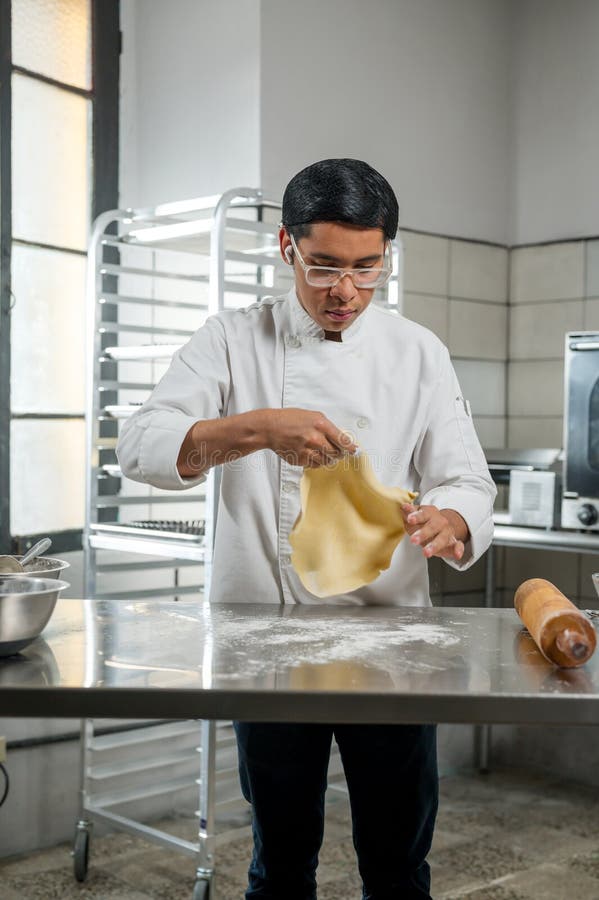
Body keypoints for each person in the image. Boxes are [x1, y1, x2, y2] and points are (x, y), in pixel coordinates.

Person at [118, 158, 496, 899]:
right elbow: (140, 445)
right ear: (286, 248)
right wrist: (255, 429)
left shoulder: (416, 351)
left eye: (365, 268)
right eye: (323, 267)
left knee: (396, 861)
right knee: (280, 859)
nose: (345, 292)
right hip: (266, 639)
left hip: (391, 643)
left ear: (385, 254)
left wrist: (450, 517)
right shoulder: (231, 339)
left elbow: (465, 478)